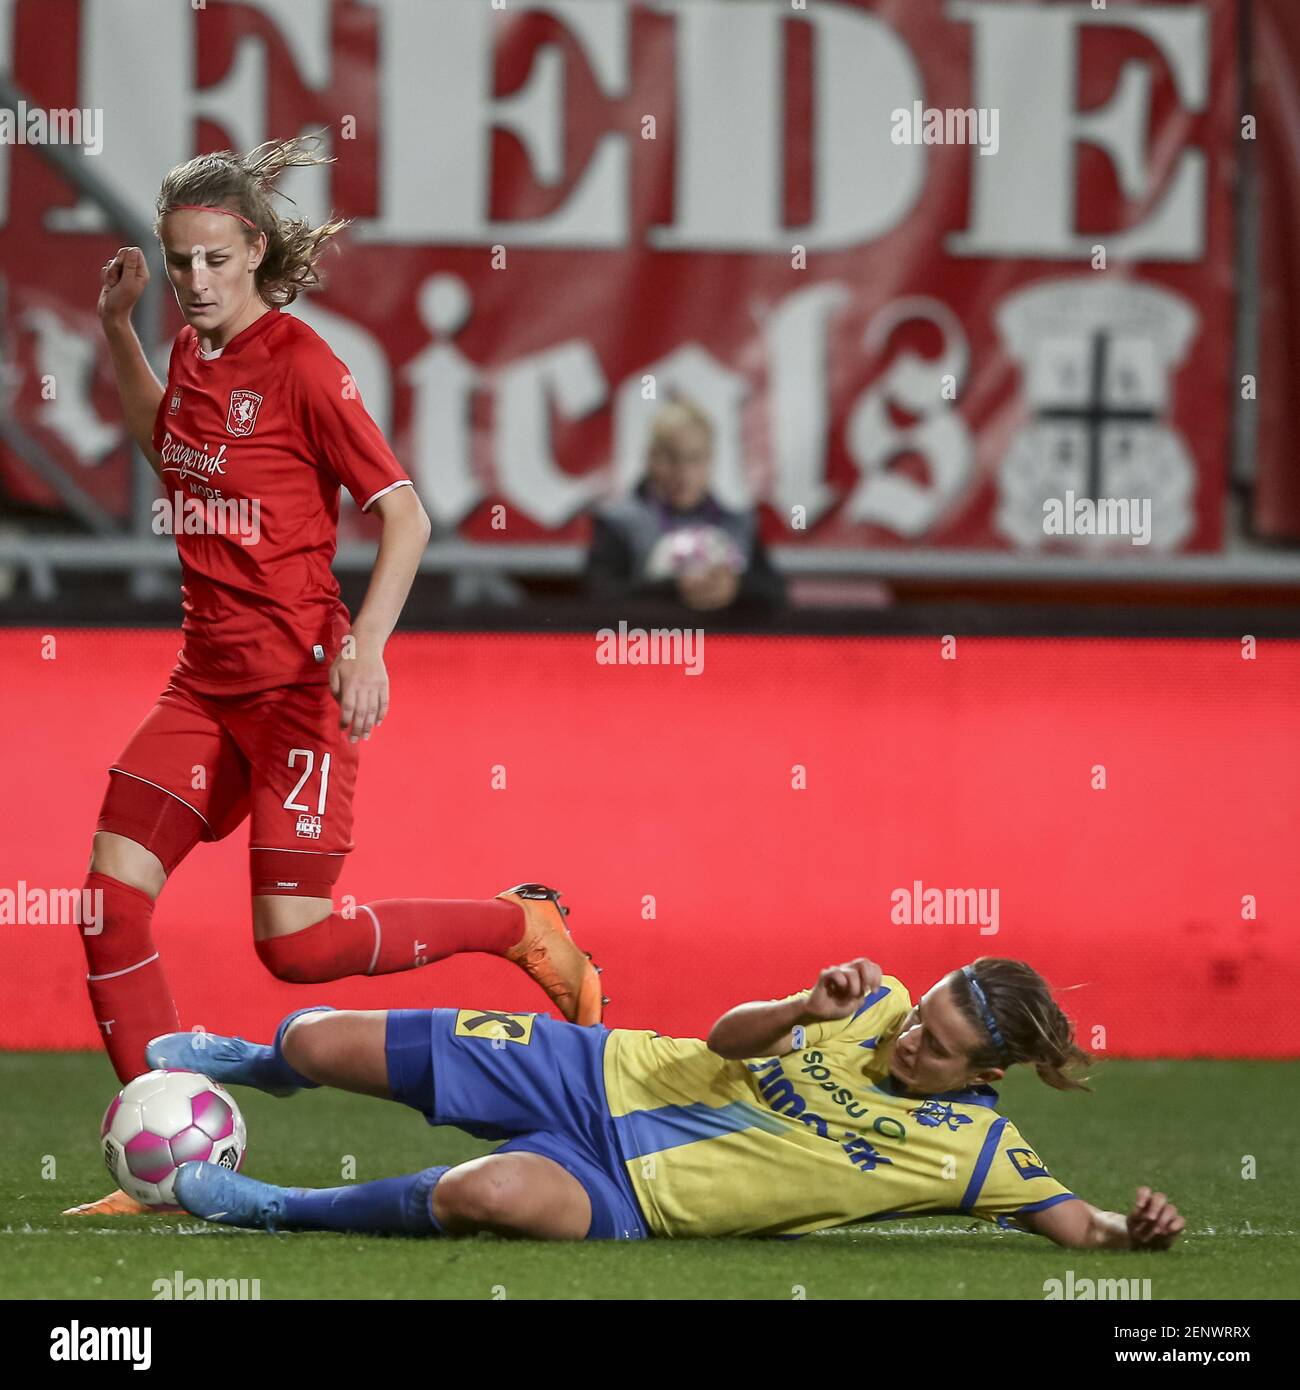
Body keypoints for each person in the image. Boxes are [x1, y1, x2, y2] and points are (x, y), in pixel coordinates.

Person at [73, 134, 603, 1216]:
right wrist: (119, 328)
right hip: (203, 688)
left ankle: (517, 924)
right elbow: (160, 444)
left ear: (256, 250)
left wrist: (367, 643)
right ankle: (169, 1173)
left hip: (298, 692)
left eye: (216, 260)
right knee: (108, 910)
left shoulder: (305, 365)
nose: (198, 282)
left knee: (299, 951)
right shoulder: (188, 351)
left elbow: (403, 514)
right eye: (181, 263)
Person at [149, 956, 1185, 1249]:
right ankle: (263, 1062)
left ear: (980, 1078)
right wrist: (796, 1005)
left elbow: (1077, 1228)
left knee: (487, 1196)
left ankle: (275, 1207)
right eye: (925, 1018)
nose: (912, 1041)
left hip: (630, 1194)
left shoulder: (975, 1153)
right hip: (604, 1069)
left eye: (937, 1050)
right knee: (319, 1038)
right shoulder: (872, 1002)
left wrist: (1132, 1233)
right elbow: (726, 1034)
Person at [585, 398, 785, 615]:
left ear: (710, 461)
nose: (683, 472)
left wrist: (736, 588)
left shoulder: (739, 525)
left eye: (694, 459)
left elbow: (776, 596)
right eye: (671, 458)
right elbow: (601, 599)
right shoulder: (617, 523)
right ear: (651, 458)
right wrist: (673, 589)